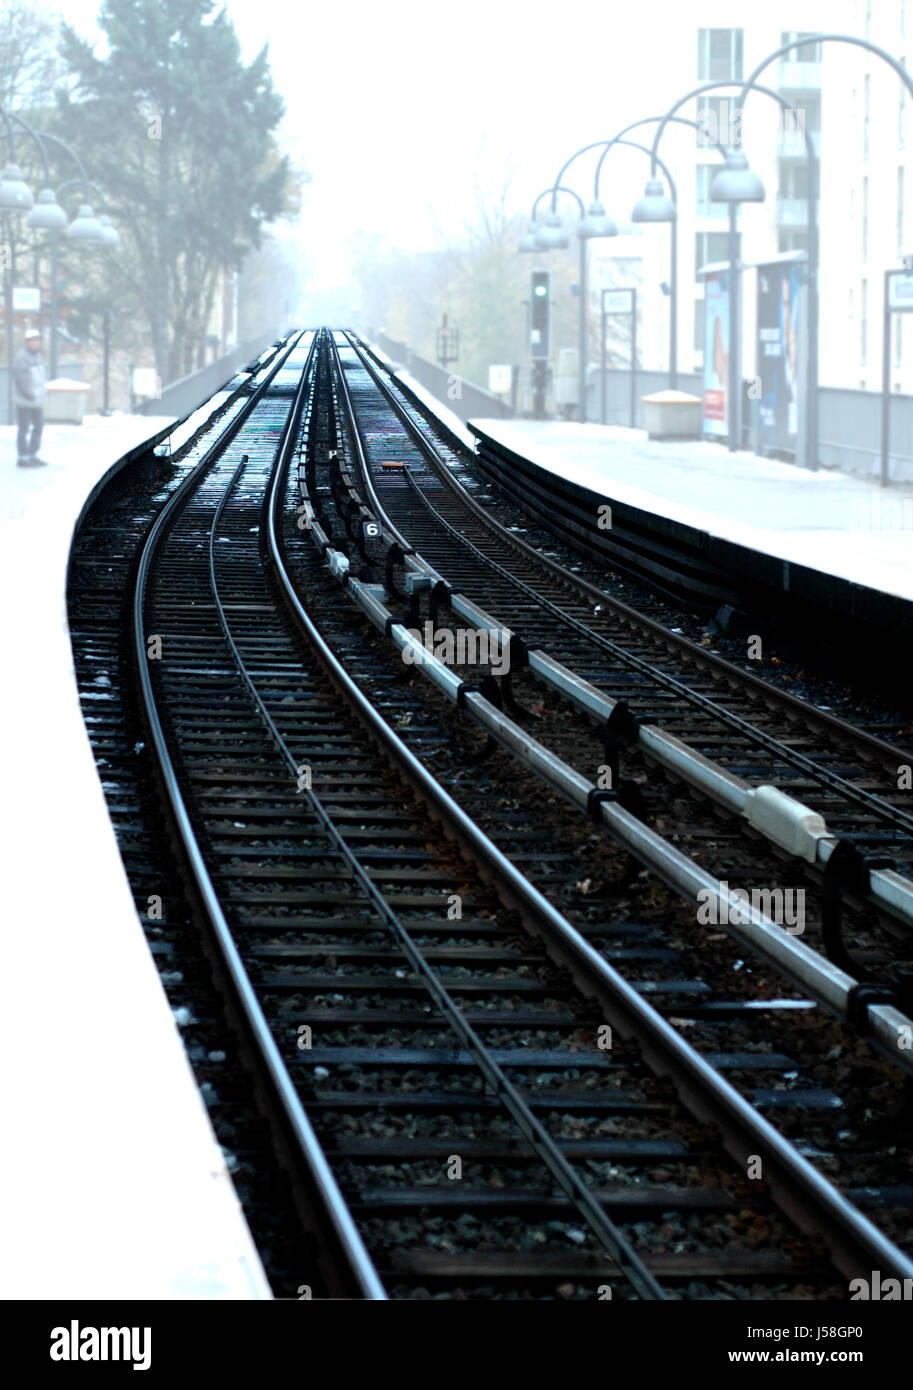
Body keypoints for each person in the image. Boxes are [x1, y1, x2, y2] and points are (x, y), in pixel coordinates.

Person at [13, 327, 48, 466]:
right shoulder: (21, 358)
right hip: (26, 401)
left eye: (37, 340)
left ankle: (33, 454)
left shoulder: (38, 357)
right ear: (27, 342)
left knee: (38, 427)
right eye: (32, 341)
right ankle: (23, 457)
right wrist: (30, 395)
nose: (35, 343)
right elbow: (21, 381)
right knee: (24, 428)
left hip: (36, 401)